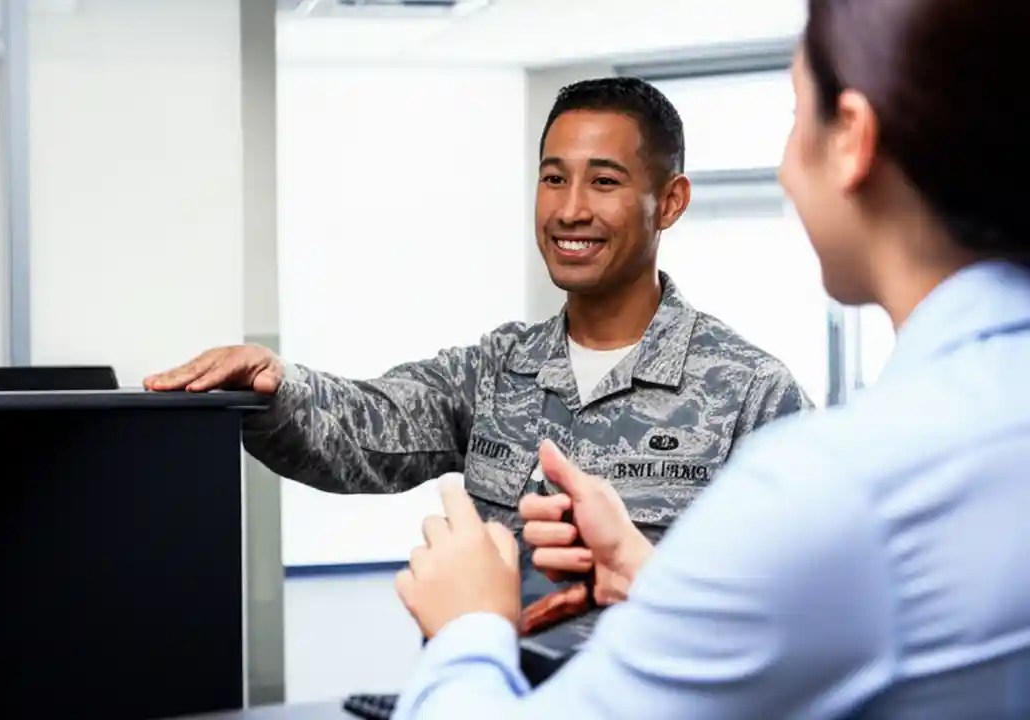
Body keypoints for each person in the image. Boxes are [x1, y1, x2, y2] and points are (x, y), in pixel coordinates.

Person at [389, 0, 1030, 716]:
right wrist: (644, 571)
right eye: (554, 178)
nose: (786, 170)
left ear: (851, 139)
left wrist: (468, 626)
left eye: (795, 116)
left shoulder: (830, 488)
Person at [145, 78, 809, 608]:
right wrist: (273, 387)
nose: (570, 208)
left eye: (604, 181)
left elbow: (803, 610)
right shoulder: (497, 371)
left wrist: (650, 578)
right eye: (554, 178)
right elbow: (365, 428)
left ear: (669, 203)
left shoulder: (751, 393)